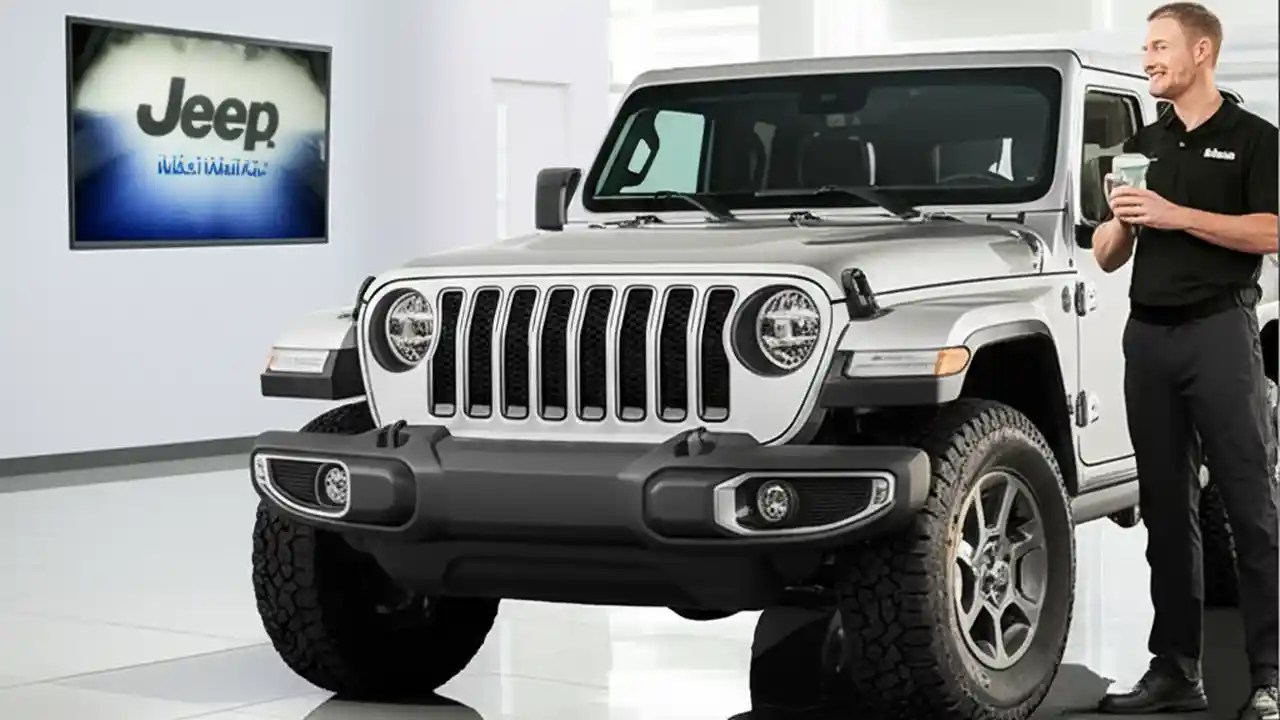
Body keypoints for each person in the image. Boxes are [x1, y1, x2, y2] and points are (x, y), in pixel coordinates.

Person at [1090, 3, 1280, 719]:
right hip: (1149, 338)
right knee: (1165, 512)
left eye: (1160, 46)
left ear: (1202, 52)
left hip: (1220, 335)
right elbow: (1109, 258)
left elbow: (1273, 230)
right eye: (1145, 46)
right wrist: (1119, 215)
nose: (1147, 58)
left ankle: (1269, 674)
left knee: (1250, 507)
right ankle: (1175, 670)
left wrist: (1177, 215)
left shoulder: (1255, 139)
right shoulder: (1141, 142)